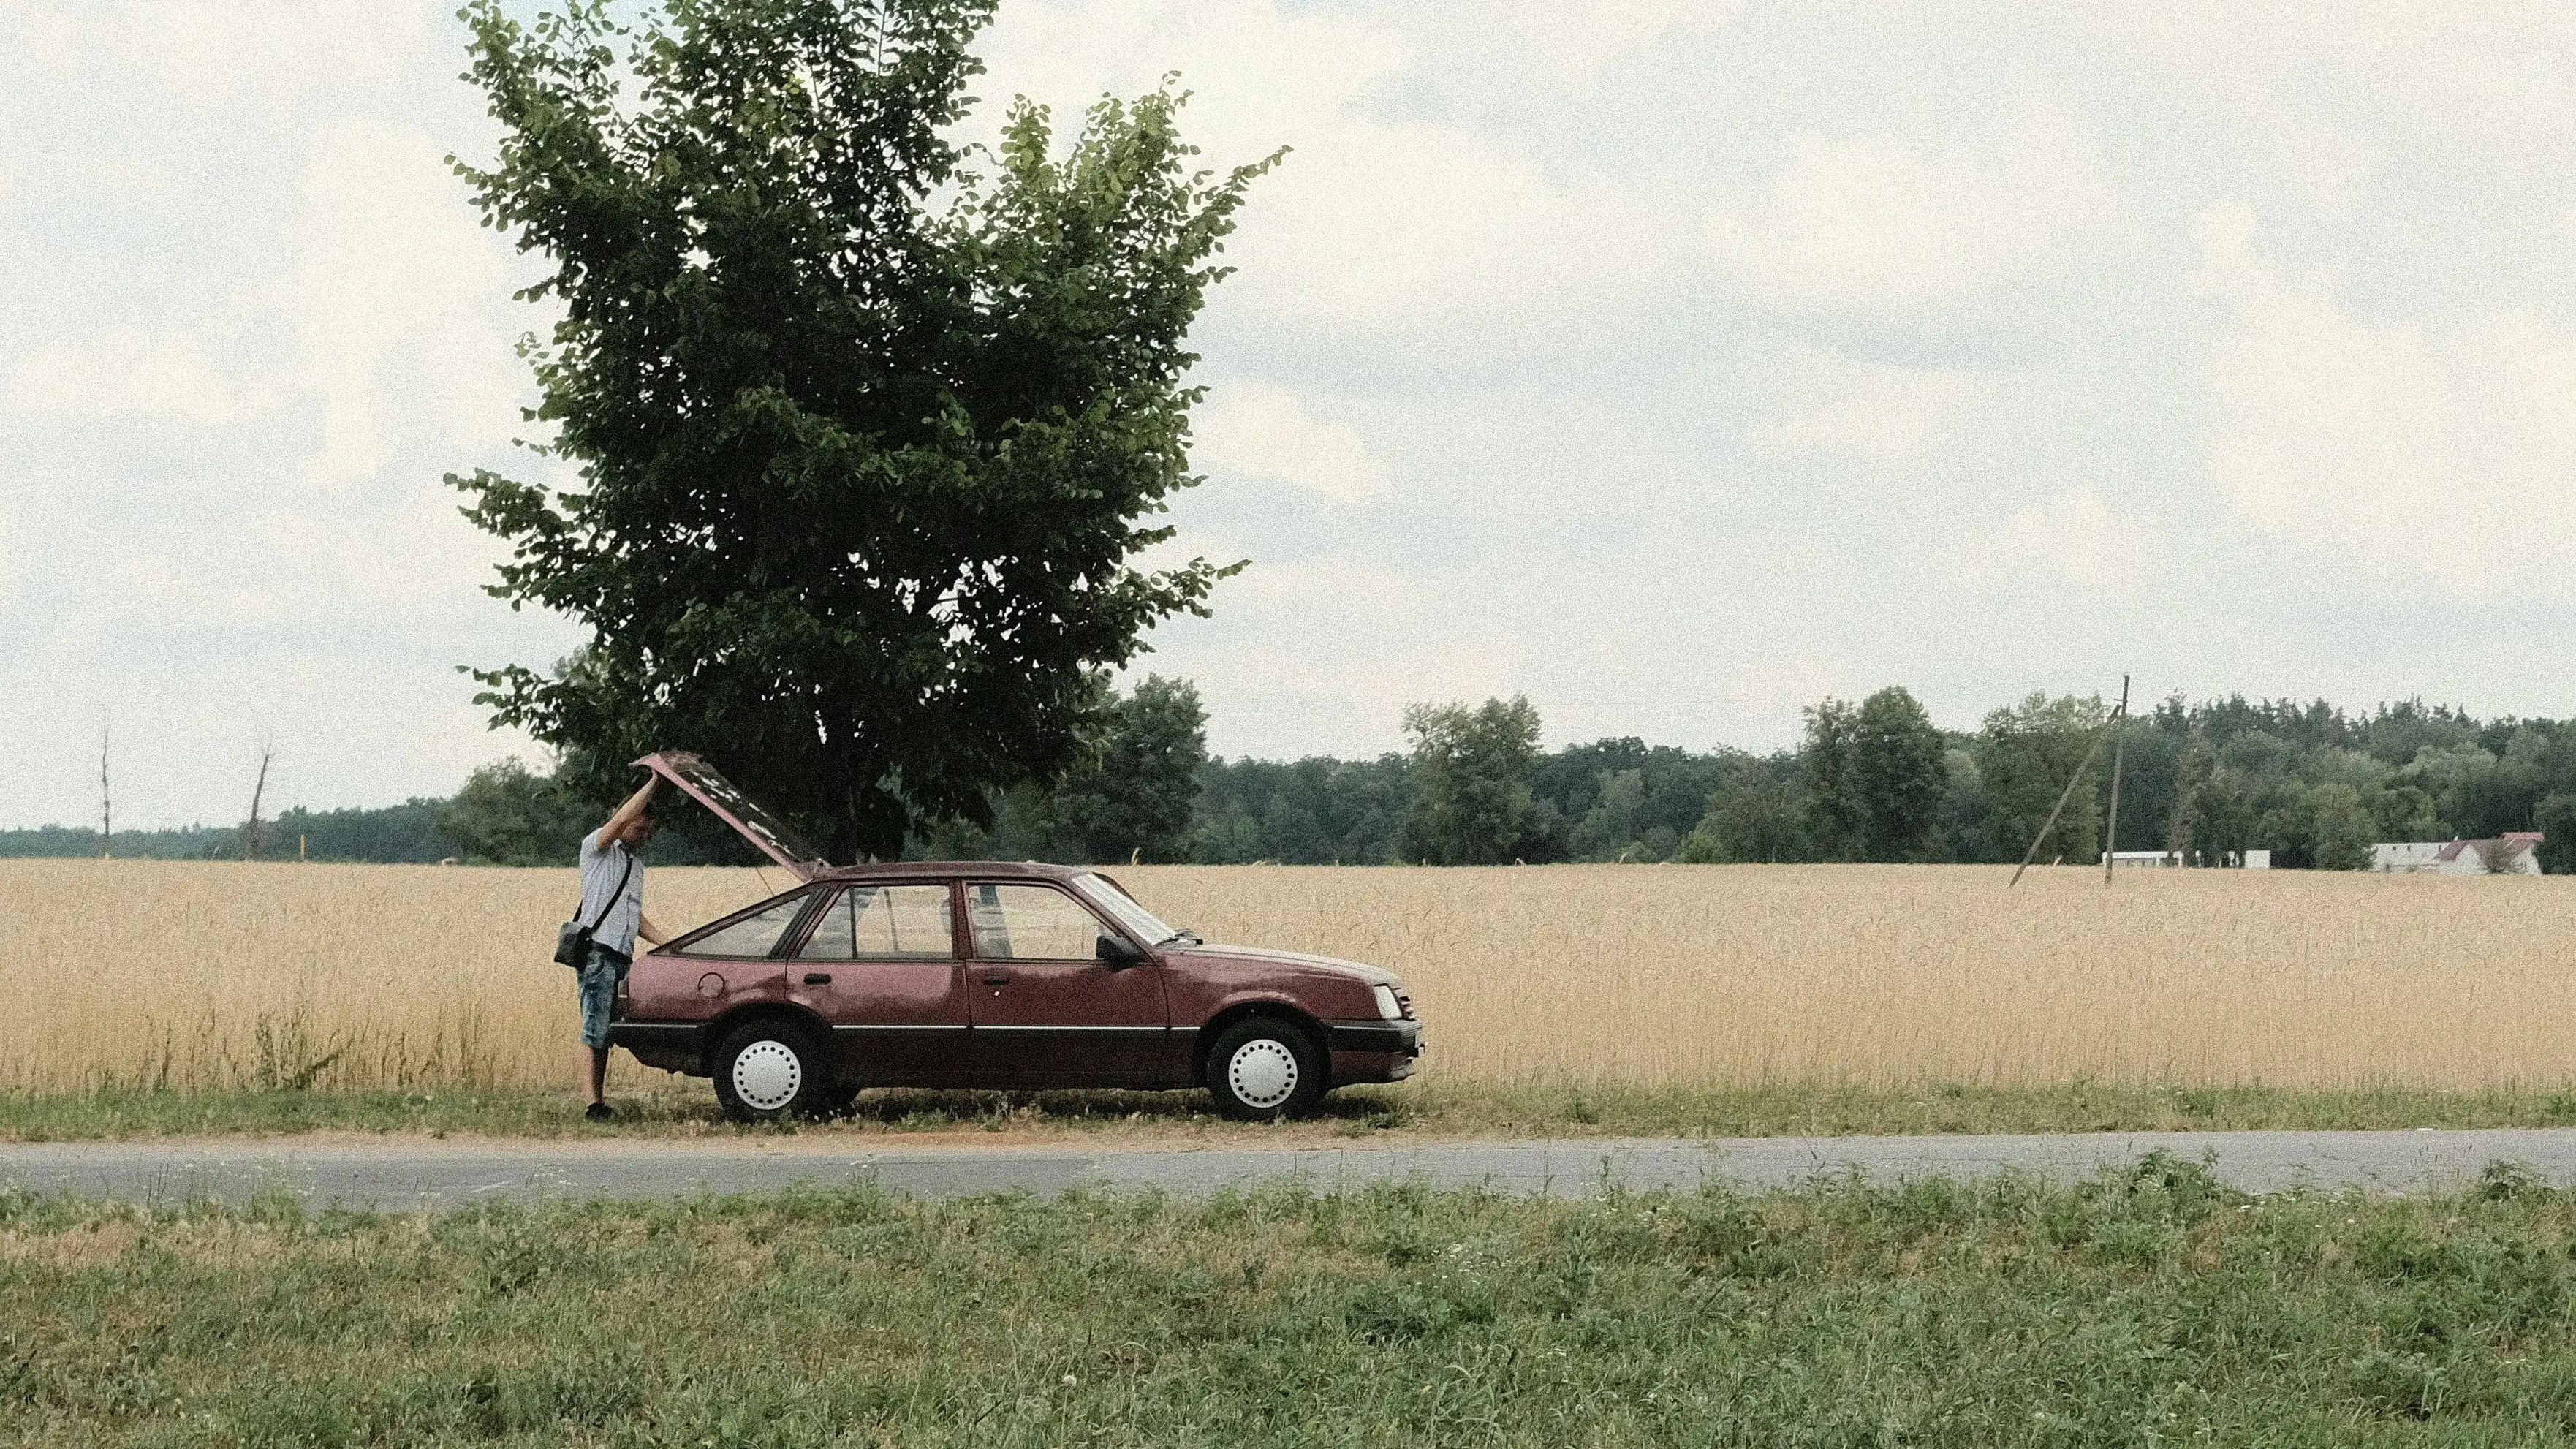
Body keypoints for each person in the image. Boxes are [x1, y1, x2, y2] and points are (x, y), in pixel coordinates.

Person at [575, 775, 670, 1120]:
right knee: (594, 1028)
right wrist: (654, 783)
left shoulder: (636, 865)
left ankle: (598, 1101)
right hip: (599, 952)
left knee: (608, 1030)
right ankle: (593, 1105)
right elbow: (619, 821)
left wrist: (666, 943)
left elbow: (634, 913)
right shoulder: (597, 849)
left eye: (649, 833)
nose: (643, 838)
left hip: (622, 955)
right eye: (639, 830)